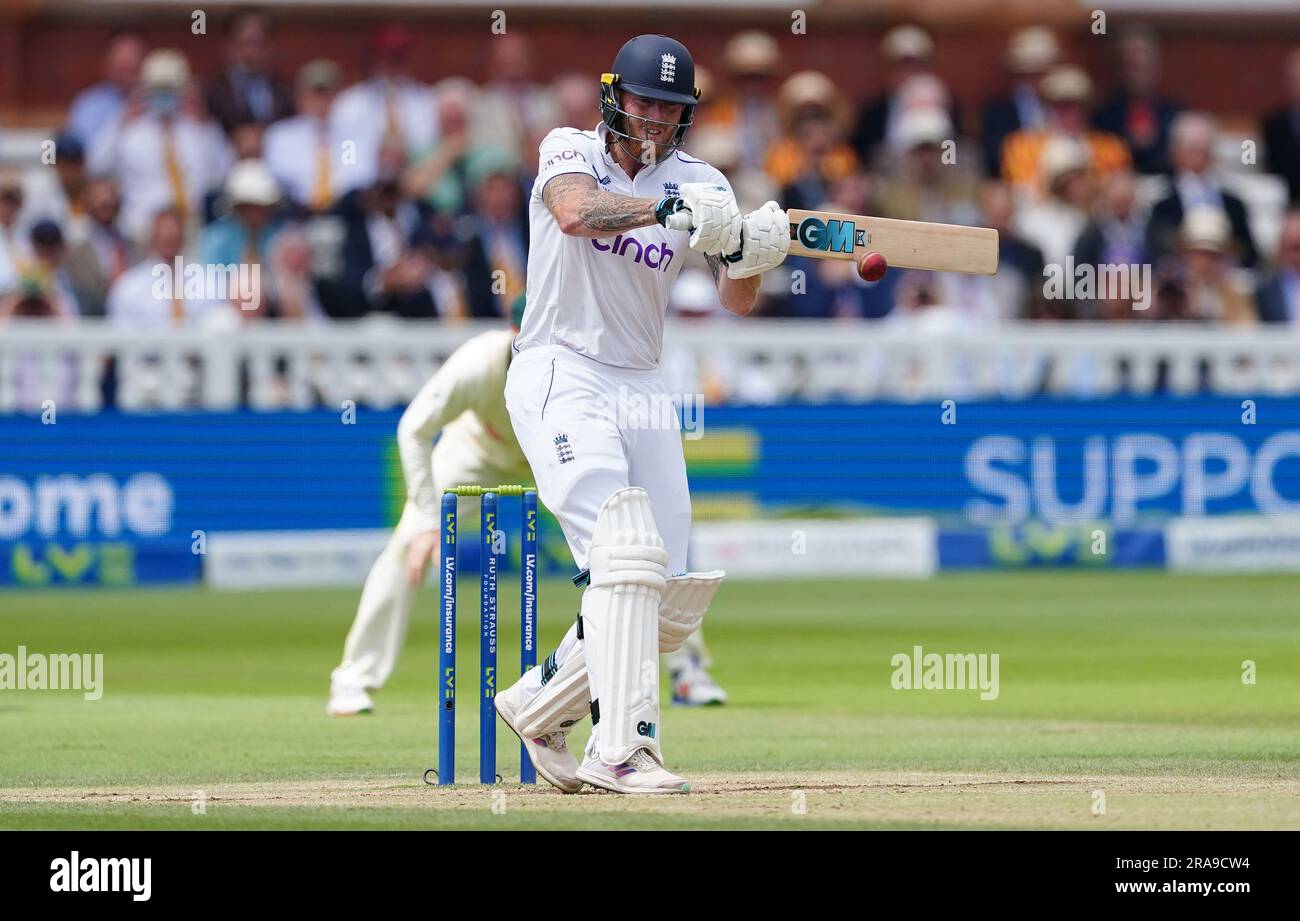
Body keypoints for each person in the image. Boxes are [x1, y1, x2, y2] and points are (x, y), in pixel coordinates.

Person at [491, 34, 787, 795]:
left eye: (670, 108)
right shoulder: (569, 151)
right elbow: (574, 215)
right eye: (644, 102)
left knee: (671, 593)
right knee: (623, 553)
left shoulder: (704, 180)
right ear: (613, 96)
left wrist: (750, 252)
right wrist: (665, 207)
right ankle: (621, 749)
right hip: (560, 366)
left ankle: (537, 700)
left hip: (643, 383)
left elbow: (736, 298)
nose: (654, 120)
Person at [328, 302, 533, 717]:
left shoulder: (577, 358)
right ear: (513, 329)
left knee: (623, 539)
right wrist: (426, 520)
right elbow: (414, 427)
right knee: (407, 543)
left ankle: (682, 669)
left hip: (553, 456)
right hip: (480, 454)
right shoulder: (479, 363)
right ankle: (352, 679)